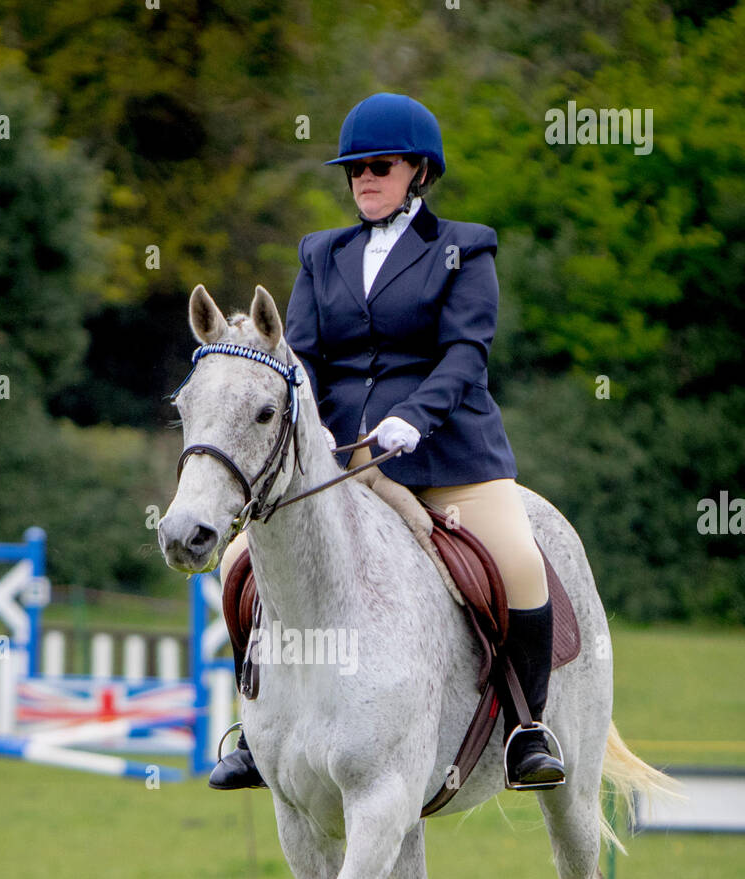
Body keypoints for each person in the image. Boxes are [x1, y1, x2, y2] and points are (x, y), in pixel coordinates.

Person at [210, 92, 564, 792]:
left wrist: (413, 416)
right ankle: (255, 728)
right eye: (353, 170)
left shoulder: (466, 246)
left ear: (418, 173)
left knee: (520, 562)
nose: (363, 180)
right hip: (341, 463)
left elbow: (465, 355)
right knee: (236, 560)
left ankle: (527, 728)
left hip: (447, 455)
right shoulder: (321, 252)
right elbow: (303, 358)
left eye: (378, 166)